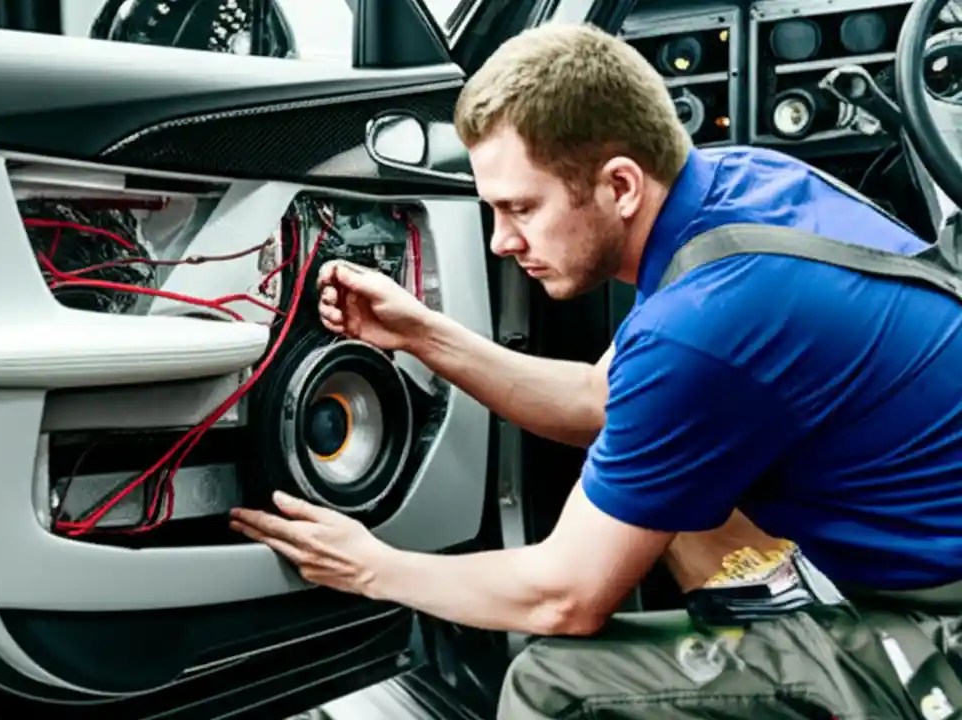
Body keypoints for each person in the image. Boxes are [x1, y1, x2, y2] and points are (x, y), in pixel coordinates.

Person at [229, 20, 962, 719]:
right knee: (660, 499)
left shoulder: (702, 327)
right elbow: (603, 402)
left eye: (521, 208)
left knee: (556, 686)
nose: (500, 242)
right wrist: (424, 335)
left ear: (620, 185)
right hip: (924, 560)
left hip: (943, 634)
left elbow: (563, 599)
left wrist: (370, 568)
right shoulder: (745, 182)